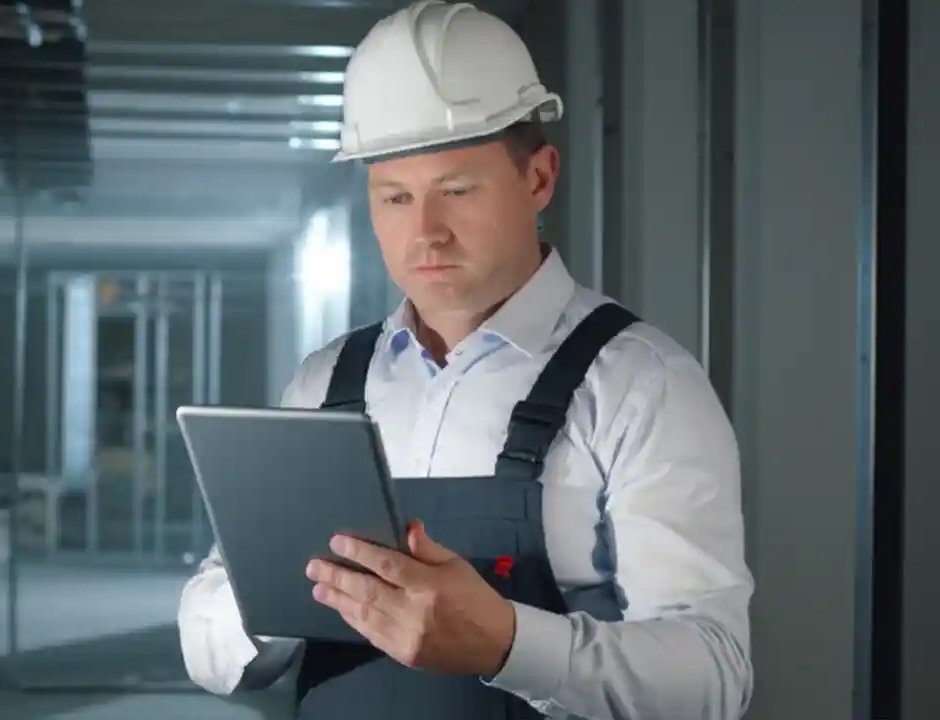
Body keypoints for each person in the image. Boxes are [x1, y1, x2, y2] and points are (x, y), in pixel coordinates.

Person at [176, 1, 754, 718]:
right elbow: (203, 638)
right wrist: (285, 595)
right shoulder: (323, 383)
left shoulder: (641, 385)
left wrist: (507, 643)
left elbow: (714, 680)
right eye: (394, 197)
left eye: (456, 191)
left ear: (539, 179)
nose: (426, 233)